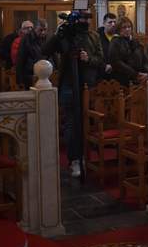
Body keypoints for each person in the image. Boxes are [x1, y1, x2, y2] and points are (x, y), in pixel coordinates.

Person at [42, 10, 104, 178]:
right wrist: (58, 33)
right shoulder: (65, 34)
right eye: (81, 18)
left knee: (85, 121)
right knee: (71, 121)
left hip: (88, 83)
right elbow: (46, 50)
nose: (84, 21)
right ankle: (74, 159)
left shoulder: (93, 36)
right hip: (69, 82)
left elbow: (100, 59)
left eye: (86, 18)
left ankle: (86, 155)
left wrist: (88, 58)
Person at [108, 17, 148, 86]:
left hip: (140, 79)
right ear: (118, 29)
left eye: (129, 27)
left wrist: (147, 72)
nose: (127, 29)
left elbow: (145, 58)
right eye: (124, 27)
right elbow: (116, 62)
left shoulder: (135, 41)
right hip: (123, 80)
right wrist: (135, 74)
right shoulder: (115, 42)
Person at [16, 20, 48, 90]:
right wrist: (19, 80)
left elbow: (52, 55)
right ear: (35, 29)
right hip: (30, 74)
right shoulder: (26, 39)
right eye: (40, 30)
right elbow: (20, 59)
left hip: (46, 73)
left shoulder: (47, 38)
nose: (43, 32)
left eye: (45, 30)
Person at [98, 13, 116, 79]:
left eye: (114, 22)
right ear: (104, 23)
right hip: (102, 72)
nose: (113, 24)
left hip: (117, 72)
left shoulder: (119, 36)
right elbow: (96, 55)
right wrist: (104, 66)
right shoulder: (97, 37)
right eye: (110, 22)